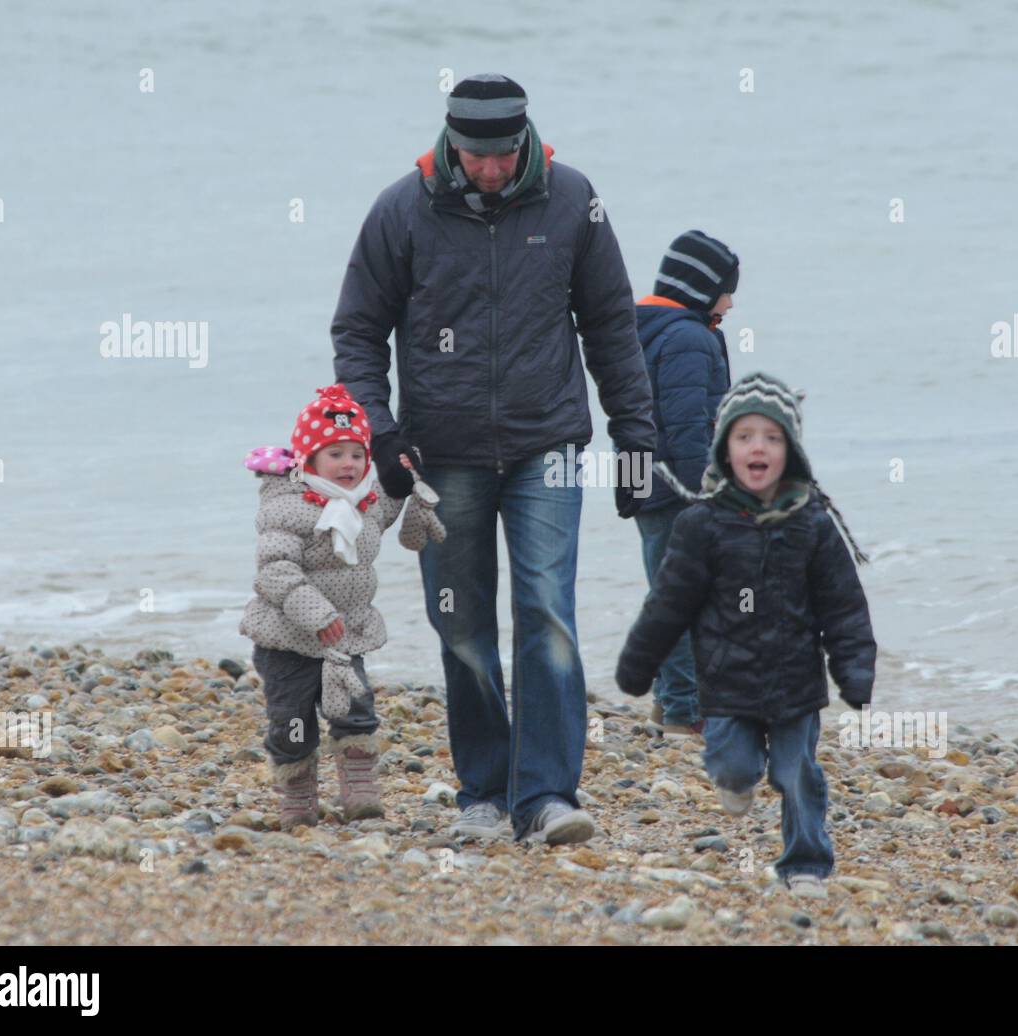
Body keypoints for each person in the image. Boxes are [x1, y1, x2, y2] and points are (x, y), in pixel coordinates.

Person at [331, 73, 656, 844]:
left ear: (525, 141)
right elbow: (356, 332)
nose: (490, 170)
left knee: (547, 614)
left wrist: (636, 436)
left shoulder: (573, 200)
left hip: (548, 443)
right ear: (452, 142)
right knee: (465, 626)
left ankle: (546, 796)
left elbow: (611, 323)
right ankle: (483, 793)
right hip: (442, 458)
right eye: (476, 157)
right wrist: (381, 434)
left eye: (504, 156)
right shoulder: (402, 210)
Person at [615, 372, 876, 895]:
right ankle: (734, 781)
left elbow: (843, 606)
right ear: (724, 448)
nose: (759, 447)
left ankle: (805, 864)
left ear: (792, 450)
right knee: (734, 768)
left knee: (797, 775)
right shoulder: (700, 525)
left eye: (772, 438)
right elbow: (668, 604)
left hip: (795, 684)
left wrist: (855, 670)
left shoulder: (813, 523)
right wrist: (639, 665)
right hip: (726, 683)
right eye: (745, 437)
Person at [238, 384, 408, 830]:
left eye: (356, 454)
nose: (349, 464)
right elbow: (274, 571)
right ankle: (297, 797)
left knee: (357, 713)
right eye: (335, 454)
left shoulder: (365, 502)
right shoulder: (288, 505)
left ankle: (362, 793)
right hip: (289, 641)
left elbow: (390, 505)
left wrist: (406, 477)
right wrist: (317, 614)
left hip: (345, 637)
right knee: (291, 723)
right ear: (309, 460)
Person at [634, 230, 739, 736]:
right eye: (726, 289)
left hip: (648, 482)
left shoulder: (657, 329)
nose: (733, 300)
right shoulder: (688, 338)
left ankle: (667, 700)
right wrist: (704, 491)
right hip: (678, 486)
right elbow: (687, 424)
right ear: (699, 288)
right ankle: (683, 711)